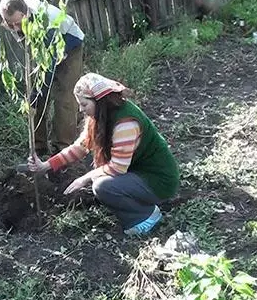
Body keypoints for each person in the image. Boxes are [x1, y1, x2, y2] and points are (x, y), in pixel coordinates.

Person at [27, 73, 180, 235]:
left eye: (84, 104)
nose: (81, 109)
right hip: (138, 172)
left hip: (159, 180)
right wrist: (46, 166)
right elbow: (80, 147)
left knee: (102, 186)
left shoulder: (125, 123)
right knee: (100, 179)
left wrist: (84, 178)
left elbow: (118, 168)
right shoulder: (102, 116)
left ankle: (146, 216)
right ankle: (136, 201)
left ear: (98, 100)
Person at [0, 0, 84, 155]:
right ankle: (39, 148)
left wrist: (38, 94)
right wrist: (35, 96)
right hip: (42, 48)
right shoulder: (13, 15)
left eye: (17, 23)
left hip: (70, 43)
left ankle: (62, 149)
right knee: (34, 99)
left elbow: (49, 65)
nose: (15, 28)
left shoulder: (46, 20)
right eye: (10, 24)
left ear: (25, 14)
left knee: (64, 97)